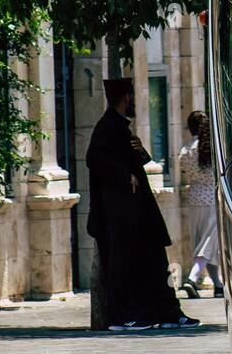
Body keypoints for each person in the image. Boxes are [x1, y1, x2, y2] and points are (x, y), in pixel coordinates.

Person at [86, 78, 201, 331]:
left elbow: (132, 159)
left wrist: (139, 150)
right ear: (125, 97)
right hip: (119, 215)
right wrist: (123, 176)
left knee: (155, 262)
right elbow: (95, 158)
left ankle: (168, 312)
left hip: (138, 214)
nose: (135, 100)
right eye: (132, 95)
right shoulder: (107, 127)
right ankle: (123, 317)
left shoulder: (121, 128)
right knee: (122, 265)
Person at [179, 110, 223, 299]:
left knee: (204, 243)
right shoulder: (211, 149)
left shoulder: (186, 150)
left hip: (194, 198)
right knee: (208, 244)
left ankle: (218, 284)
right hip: (211, 200)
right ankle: (192, 278)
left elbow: (183, 171)